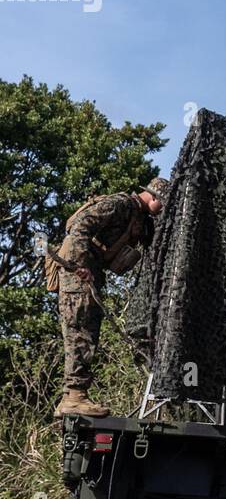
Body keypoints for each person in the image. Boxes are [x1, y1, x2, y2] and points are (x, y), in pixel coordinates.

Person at [54, 178, 169, 419]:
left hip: (91, 273)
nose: (162, 211)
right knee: (80, 330)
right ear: (154, 197)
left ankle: (74, 395)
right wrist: (79, 264)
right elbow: (81, 226)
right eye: (163, 205)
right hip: (78, 273)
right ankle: (74, 397)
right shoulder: (120, 205)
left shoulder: (140, 218)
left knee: (89, 330)